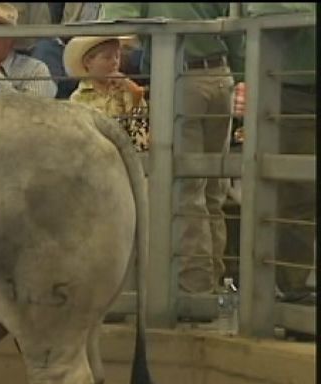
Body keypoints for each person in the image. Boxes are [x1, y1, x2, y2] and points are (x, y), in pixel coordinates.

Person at [100, 3, 241, 295]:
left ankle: (194, 285)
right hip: (221, 73)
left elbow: (119, 16)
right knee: (214, 185)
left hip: (180, 73)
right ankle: (213, 277)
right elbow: (235, 23)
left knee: (187, 188)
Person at [243, 3, 316, 303]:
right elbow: (258, 9)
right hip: (294, 87)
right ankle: (294, 289)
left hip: (296, 84)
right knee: (298, 191)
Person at [64, 35, 149, 151]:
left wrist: (135, 97)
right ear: (88, 62)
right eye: (107, 57)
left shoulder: (128, 91)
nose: (114, 62)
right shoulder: (77, 99)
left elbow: (142, 143)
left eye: (117, 56)